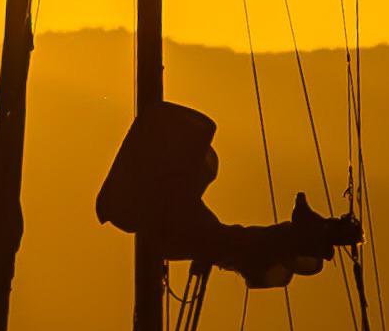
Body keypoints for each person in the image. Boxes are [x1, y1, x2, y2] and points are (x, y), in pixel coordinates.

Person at [93, 101, 359, 288]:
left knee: (235, 243)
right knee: (234, 242)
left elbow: (231, 240)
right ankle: (306, 234)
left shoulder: (175, 206)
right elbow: (231, 240)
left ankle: (305, 234)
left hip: (193, 235)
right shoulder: (173, 208)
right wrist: (301, 236)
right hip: (190, 235)